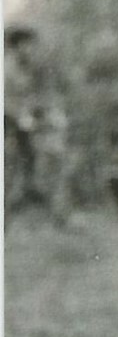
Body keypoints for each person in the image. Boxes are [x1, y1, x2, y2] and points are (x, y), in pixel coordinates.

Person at [4, 23, 73, 225]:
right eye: (24, 45)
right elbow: (7, 101)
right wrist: (21, 117)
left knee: (54, 153)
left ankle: (57, 214)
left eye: (30, 45)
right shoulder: (6, 69)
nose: (29, 49)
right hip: (9, 125)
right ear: (15, 46)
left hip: (30, 125)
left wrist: (51, 114)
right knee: (10, 166)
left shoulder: (35, 68)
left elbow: (44, 96)